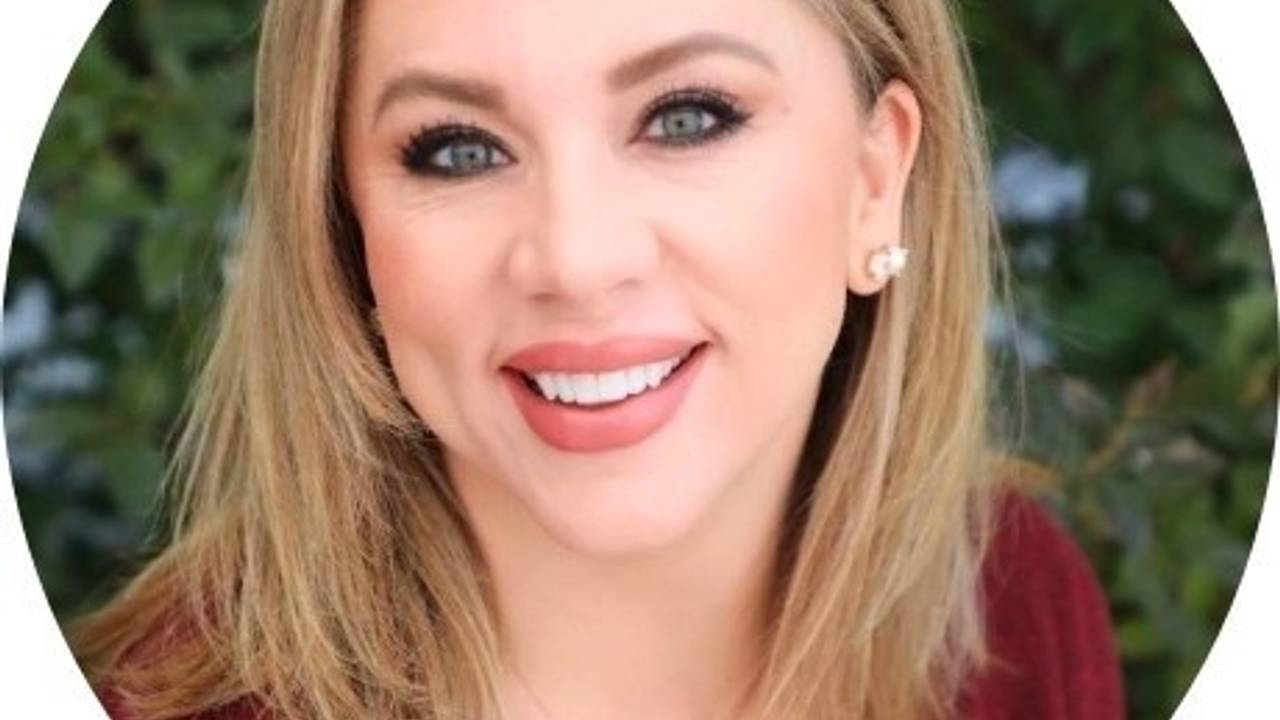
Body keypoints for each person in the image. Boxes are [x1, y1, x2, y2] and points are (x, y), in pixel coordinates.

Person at [71, 0, 1125, 718]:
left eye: (687, 117)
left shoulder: (1011, 602)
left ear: (874, 179)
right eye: (458, 149)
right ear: (344, 230)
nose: (576, 259)